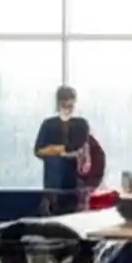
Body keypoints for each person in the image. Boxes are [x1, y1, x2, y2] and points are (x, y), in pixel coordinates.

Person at [34, 85, 91, 213]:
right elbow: (38, 150)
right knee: (53, 211)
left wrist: (55, 149)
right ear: (58, 102)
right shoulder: (48, 124)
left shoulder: (81, 123)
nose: (67, 106)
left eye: (70, 102)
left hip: (74, 180)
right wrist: (63, 151)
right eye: (64, 102)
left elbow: (78, 146)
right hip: (52, 182)